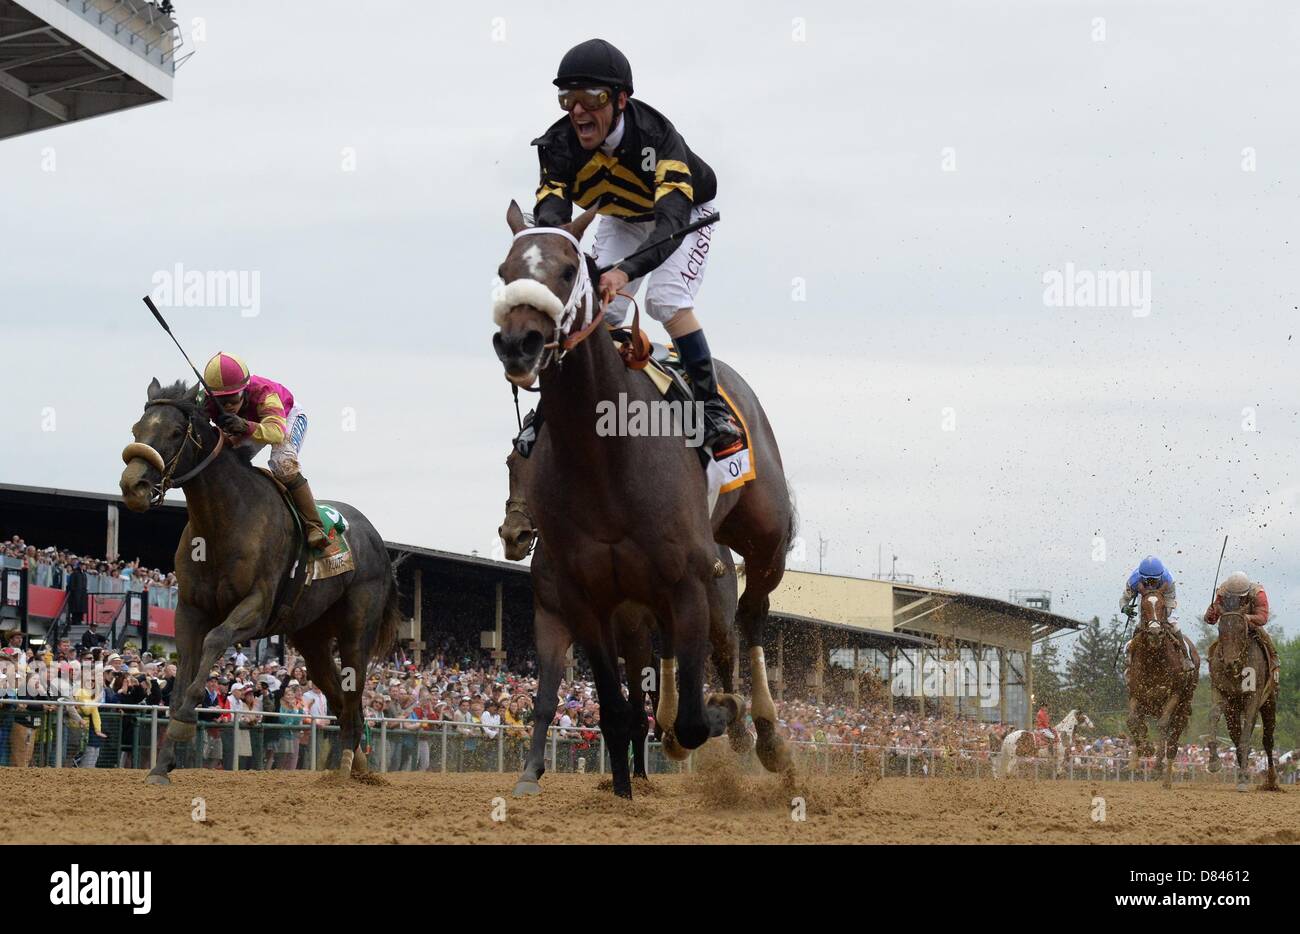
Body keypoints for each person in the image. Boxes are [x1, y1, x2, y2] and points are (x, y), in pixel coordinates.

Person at [527, 38, 742, 453]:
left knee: (665, 299)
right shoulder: (558, 147)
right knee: (600, 311)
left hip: (683, 215)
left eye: (591, 97)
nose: (577, 110)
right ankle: (552, 410)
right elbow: (554, 223)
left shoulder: (658, 141)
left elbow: (671, 224)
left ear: (621, 99)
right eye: (567, 98)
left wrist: (623, 271)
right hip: (623, 217)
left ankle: (712, 407)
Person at [200, 351, 339, 557]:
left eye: (233, 398)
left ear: (245, 390)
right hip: (250, 424)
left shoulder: (266, 395)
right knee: (223, 459)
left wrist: (244, 426)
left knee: (282, 464)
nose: (228, 405)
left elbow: (275, 433)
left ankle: (314, 525)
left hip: (285, 419)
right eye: (222, 400)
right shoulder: (204, 400)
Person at [1120, 555, 1193, 671]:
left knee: (1173, 624)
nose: (1151, 583)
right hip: (1144, 598)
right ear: (1141, 577)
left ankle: (1186, 658)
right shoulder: (1133, 581)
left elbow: (1170, 603)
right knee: (1140, 626)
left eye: (1154, 580)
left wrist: (1161, 618)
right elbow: (1124, 599)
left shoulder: (1169, 581)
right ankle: (1130, 658)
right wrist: (1125, 608)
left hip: (1164, 598)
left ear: (1160, 577)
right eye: (1148, 580)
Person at [1205, 571, 1279, 686]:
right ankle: (1213, 668)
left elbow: (1263, 618)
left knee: (1266, 638)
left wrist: (1248, 617)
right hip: (1229, 628)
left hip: (1251, 626)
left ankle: (1274, 662)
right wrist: (1209, 614)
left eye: (1240, 596)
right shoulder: (1222, 592)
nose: (1236, 598)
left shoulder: (1258, 593)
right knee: (1214, 647)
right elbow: (1211, 620)